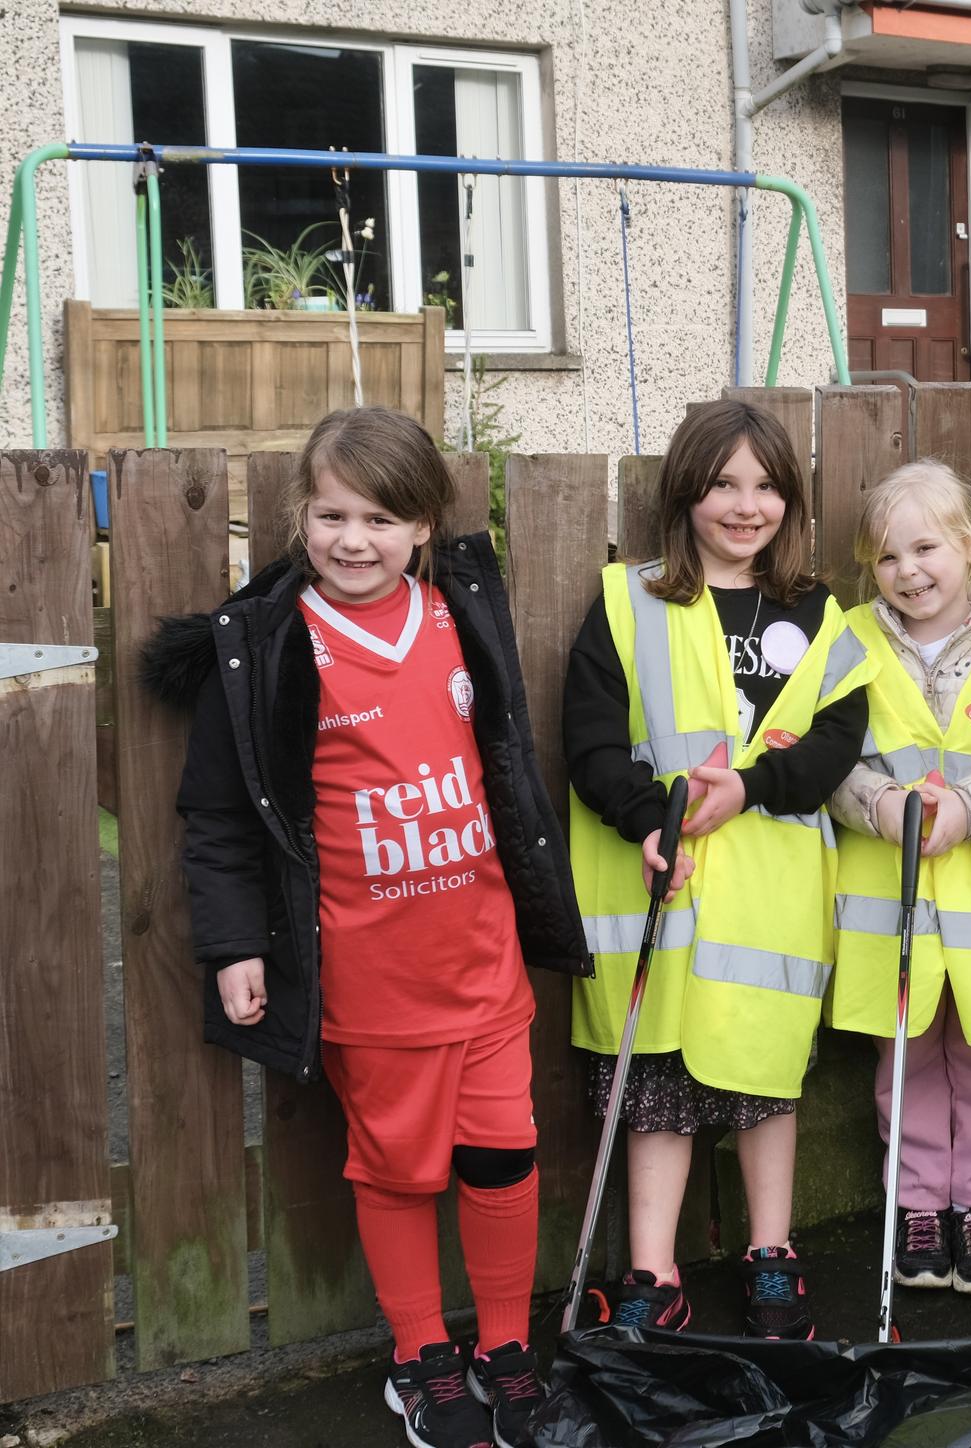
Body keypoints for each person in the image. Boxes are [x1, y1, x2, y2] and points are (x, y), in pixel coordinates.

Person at [147, 406, 588, 1448]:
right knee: (398, 1169)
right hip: (366, 979)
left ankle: (505, 1349)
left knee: (502, 1156)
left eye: (381, 518)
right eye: (331, 514)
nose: (354, 539)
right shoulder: (261, 651)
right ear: (300, 515)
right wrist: (234, 943)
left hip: (481, 962)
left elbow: (508, 765)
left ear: (425, 524)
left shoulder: (457, 613)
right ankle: (420, 1355)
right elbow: (216, 818)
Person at [563, 399, 874, 1343]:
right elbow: (588, 740)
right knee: (656, 1092)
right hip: (661, 886)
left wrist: (751, 789)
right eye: (723, 485)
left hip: (767, 909)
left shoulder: (821, 612)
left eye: (767, 486)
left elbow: (838, 741)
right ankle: (651, 1271)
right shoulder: (631, 599)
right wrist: (644, 817)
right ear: (684, 492)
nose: (747, 506)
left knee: (765, 1084)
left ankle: (771, 1254)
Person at [826, 461, 971, 1298]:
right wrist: (879, 803)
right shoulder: (847, 636)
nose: (908, 572)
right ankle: (919, 1201)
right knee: (908, 1055)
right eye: (886, 558)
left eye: (926, 547)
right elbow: (824, 754)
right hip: (893, 899)